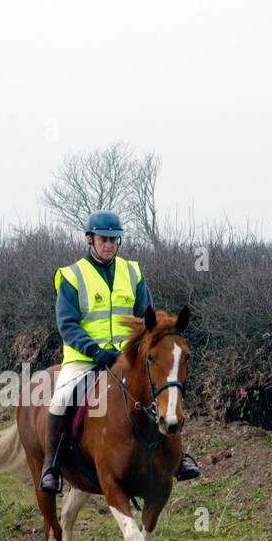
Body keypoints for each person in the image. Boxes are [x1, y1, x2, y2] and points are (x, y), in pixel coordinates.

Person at [39, 211, 200, 493]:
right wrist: (94, 350)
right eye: (103, 239)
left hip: (127, 358)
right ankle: (51, 466)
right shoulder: (72, 276)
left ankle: (177, 459)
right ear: (90, 240)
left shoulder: (132, 272)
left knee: (161, 391)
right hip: (85, 358)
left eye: (114, 240)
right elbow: (67, 324)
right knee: (61, 398)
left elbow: (146, 317)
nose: (109, 245)